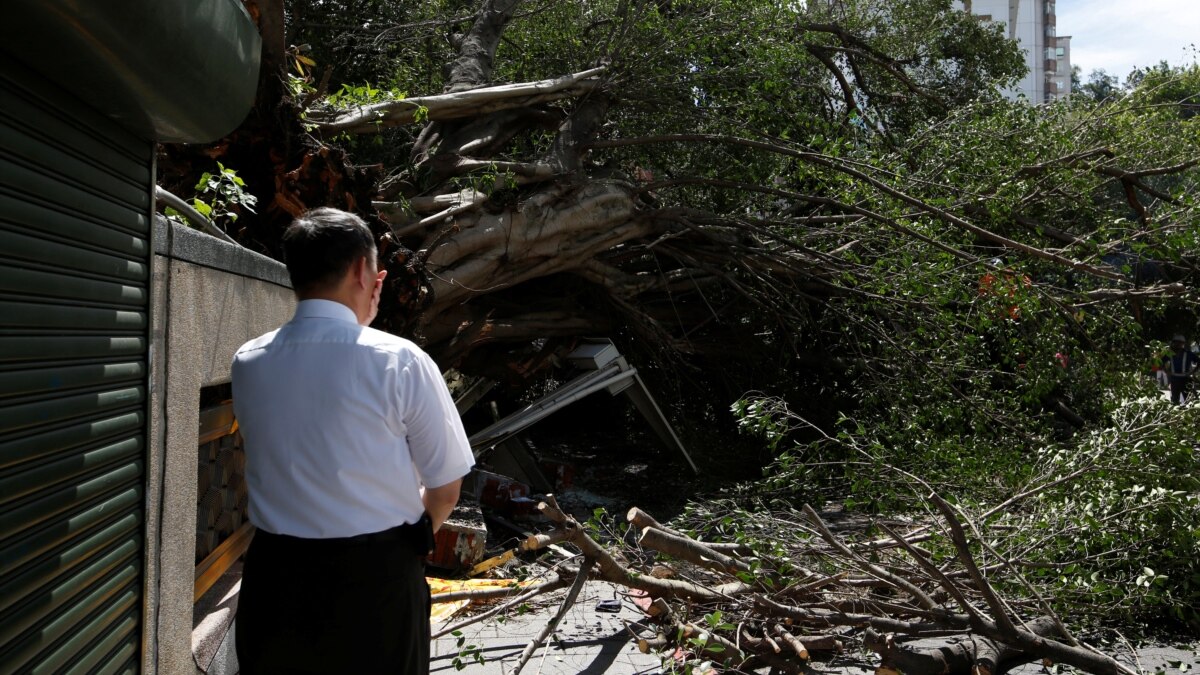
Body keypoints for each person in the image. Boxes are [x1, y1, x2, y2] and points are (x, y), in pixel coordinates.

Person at [231, 207, 475, 674]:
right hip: (377, 582)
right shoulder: (400, 361)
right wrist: (409, 543)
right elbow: (446, 489)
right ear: (365, 271)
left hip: (275, 580)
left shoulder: (249, 360)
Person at [1161, 334, 1200, 405]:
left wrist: (1192, 372)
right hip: (1174, 379)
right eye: (1176, 342)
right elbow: (1161, 362)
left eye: (1180, 342)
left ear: (1183, 343)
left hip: (1186, 378)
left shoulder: (1189, 354)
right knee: (1174, 399)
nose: (1178, 344)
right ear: (1173, 343)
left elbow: (1198, 362)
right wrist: (1166, 371)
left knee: (1187, 399)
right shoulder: (1169, 353)